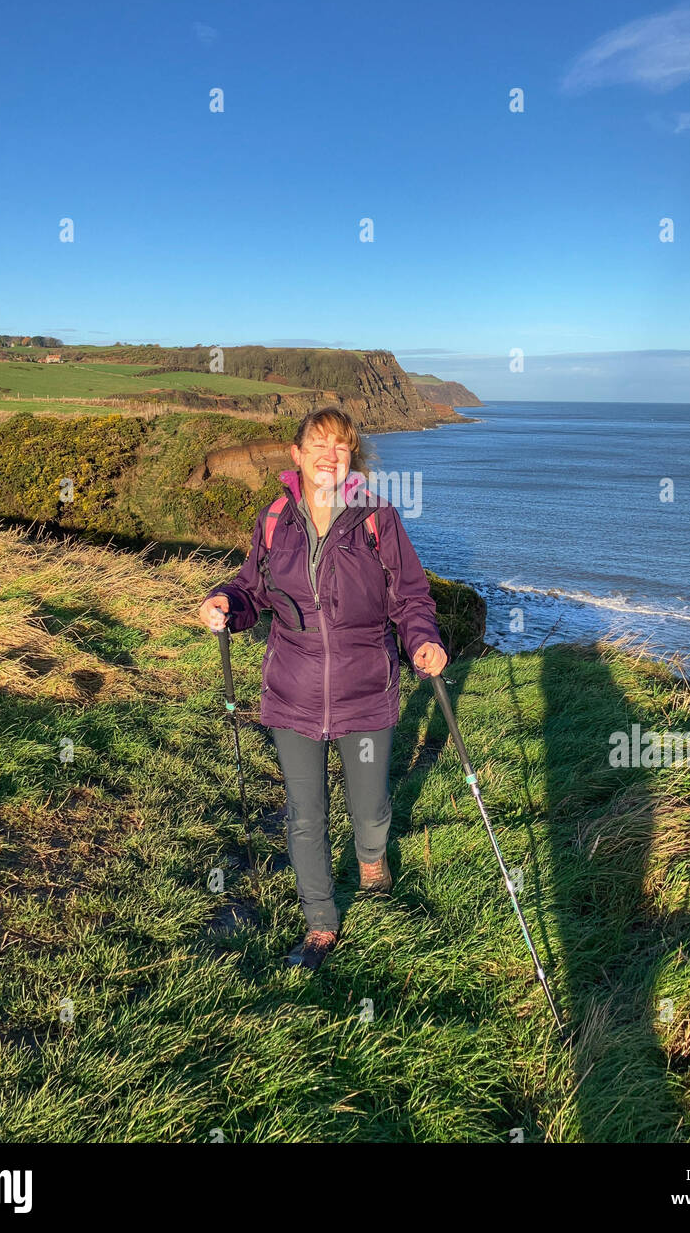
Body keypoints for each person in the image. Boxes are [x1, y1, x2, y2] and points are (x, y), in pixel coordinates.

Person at [198, 406, 448, 970]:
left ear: (350, 457)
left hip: (366, 688)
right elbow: (251, 590)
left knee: (370, 806)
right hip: (292, 689)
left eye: (340, 447)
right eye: (317, 445)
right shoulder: (275, 519)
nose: (328, 456)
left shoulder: (376, 517)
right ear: (296, 455)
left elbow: (410, 598)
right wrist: (226, 604)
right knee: (305, 813)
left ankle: (371, 864)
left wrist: (423, 641)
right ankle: (320, 923)